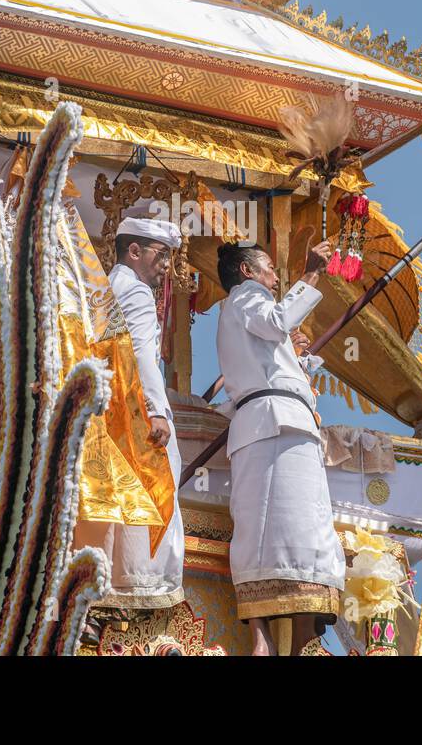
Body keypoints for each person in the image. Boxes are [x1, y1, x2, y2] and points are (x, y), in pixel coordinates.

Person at [215, 240, 344, 655]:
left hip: (282, 423)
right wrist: (311, 272)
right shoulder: (246, 297)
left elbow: (274, 338)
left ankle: (299, 642)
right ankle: (265, 641)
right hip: (271, 424)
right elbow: (277, 320)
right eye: (269, 268)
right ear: (247, 272)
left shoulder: (247, 307)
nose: (275, 276)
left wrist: (297, 359)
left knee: (301, 532)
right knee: (272, 533)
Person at [72, 216, 185, 615]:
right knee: (151, 495)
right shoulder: (135, 292)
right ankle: (140, 596)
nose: (167, 265)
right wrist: (157, 412)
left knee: (116, 507)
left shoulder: (105, 288)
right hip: (134, 416)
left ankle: (104, 594)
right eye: (161, 254)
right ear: (134, 252)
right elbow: (141, 356)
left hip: (107, 419)